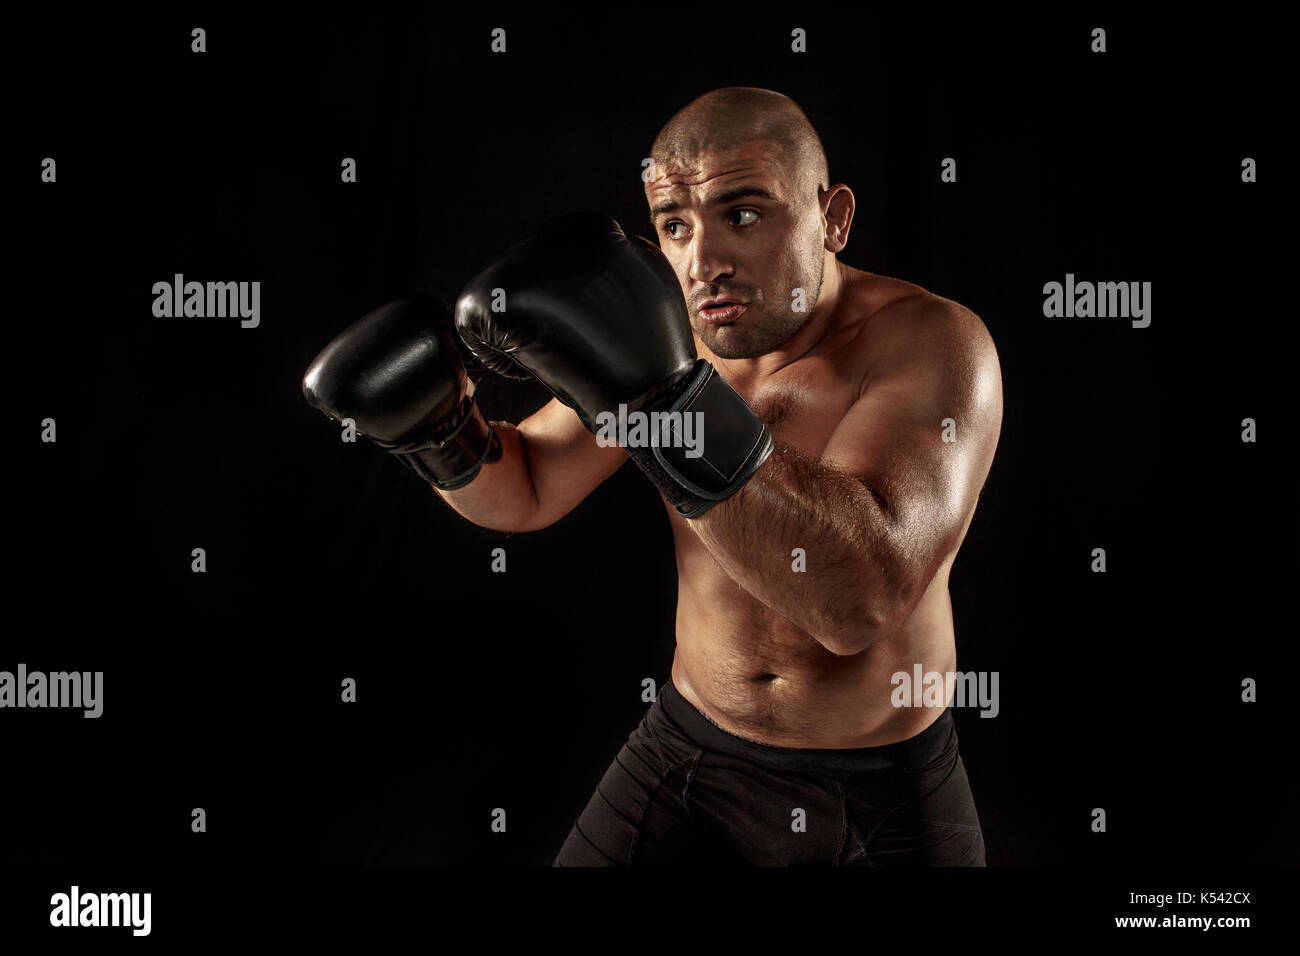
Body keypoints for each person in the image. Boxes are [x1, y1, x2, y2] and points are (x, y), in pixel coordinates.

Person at [304, 87, 1003, 866]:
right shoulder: (679, 343)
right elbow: (528, 487)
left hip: (881, 789)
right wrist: (439, 432)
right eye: (675, 226)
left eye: (742, 214)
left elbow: (857, 603)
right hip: (687, 752)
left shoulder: (932, 345)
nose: (703, 263)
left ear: (832, 217)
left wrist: (668, 401)